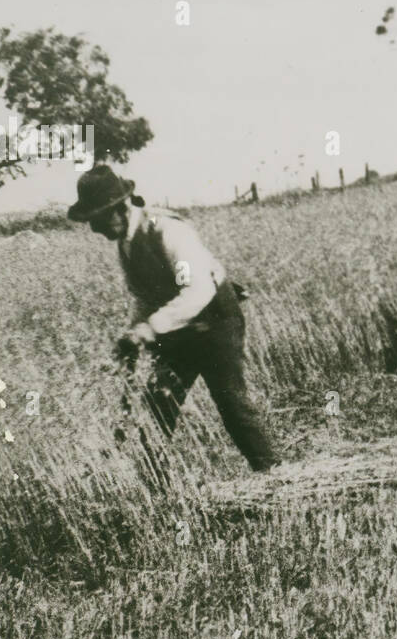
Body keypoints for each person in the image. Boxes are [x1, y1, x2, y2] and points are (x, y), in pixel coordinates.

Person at [67, 164, 280, 472]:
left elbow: (197, 289)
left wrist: (151, 327)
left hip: (214, 318)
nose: (95, 229)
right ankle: (157, 493)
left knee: (231, 401)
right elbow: (145, 296)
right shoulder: (126, 242)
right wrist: (133, 333)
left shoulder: (166, 229)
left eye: (98, 218)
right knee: (155, 408)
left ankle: (273, 475)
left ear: (122, 206)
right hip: (175, 324)